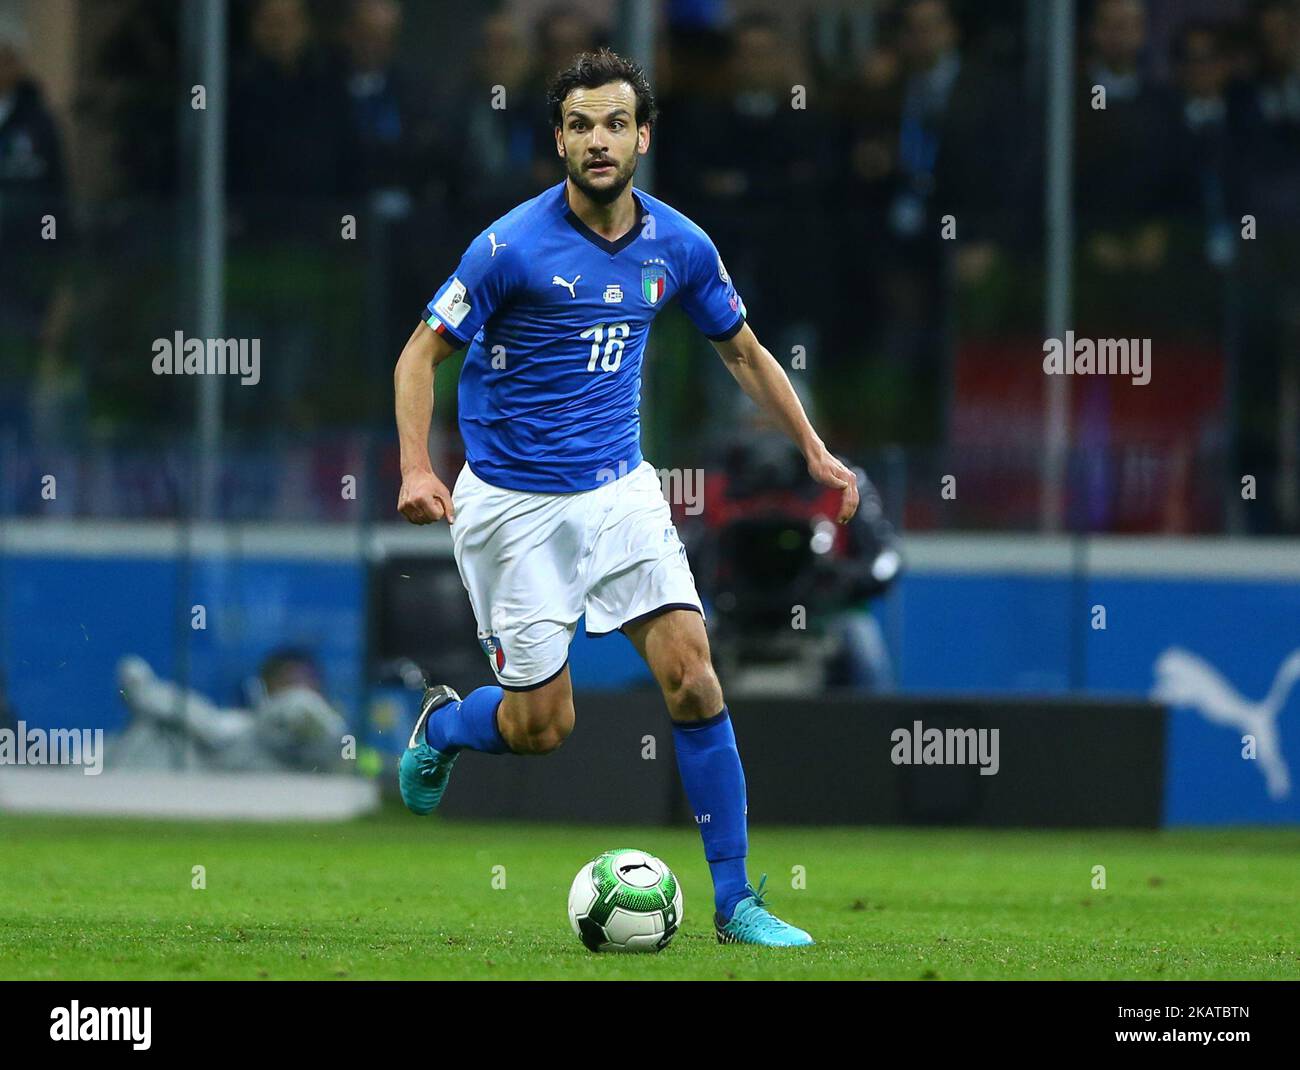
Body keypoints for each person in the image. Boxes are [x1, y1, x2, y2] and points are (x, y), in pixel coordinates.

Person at [392, 49, 859, 947]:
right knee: (541, 726)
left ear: (642, 136)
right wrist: (417, 468)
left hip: (620, 491)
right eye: (579, 125)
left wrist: (813, 449)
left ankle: (736, 904)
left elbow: (744, 352)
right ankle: (447, 725)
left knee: (692, 672)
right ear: (559, 140)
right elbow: (420, 352)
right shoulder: (508, 248)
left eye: (615, 123)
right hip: (512, 507)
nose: (598, 141)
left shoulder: (679, 244)